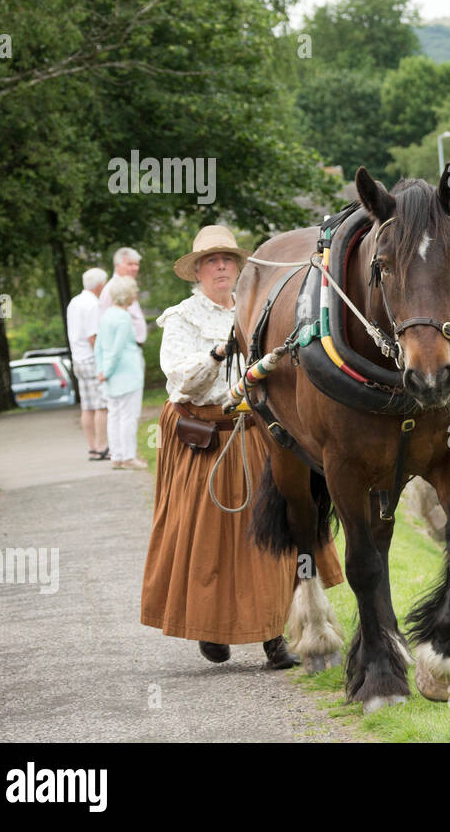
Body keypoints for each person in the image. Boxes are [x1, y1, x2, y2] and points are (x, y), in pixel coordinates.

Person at [141, 225, 345, 669]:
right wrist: (218, 352)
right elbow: (179, 380)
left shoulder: (258, 310)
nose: (220, 267)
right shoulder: (181, 318)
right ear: (197, 271)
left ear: (239, 268)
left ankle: (277, 637)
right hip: (205, 439)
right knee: (208, 543)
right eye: (211, 261)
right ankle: (211, 629)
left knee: (273, 533)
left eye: (227, 260)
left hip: (257, 429)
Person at [93, 275, 146, 470]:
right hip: (127, 374)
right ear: (129, 295)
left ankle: (116, 456)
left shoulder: (106, 315)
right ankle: (128, 456)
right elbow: (117, 349)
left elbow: (99, 346)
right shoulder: (124, 318)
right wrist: (106, 371)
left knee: (114, 415)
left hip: (110, 376)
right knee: (128, 417)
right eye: (134, 292)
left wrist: (101, 370)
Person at [66, 267, 108, 460]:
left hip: (78, 358)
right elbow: (93, 337)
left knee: (87, 407)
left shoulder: (74, 302)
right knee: (101, 406)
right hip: (92, 359)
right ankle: (102, 447)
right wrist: (104, 360)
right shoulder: (93, 304)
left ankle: (92, 447)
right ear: (100, 285)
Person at [99, 247, 148, 345]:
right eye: (130, 264)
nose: (135, 268)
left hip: (132, 347)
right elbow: (105, 322)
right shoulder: (112, 288)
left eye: (136, 264)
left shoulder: (127, 285)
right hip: (122, 349)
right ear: (117, 265)